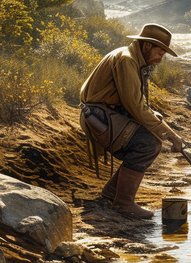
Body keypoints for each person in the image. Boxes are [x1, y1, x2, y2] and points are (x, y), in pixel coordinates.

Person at [79, 23, 185, 219]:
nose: (160, 59)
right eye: (159, 53)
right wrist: (171, 134)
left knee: (151, 138)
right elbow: (135, 106)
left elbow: (136, 102)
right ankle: (123, 203)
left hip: (106, 114)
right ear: (147, 46)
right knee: (148, 144)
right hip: (99, 117)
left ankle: (112, 192)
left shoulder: (131, 58)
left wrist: (158, 122)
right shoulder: (127, 60)